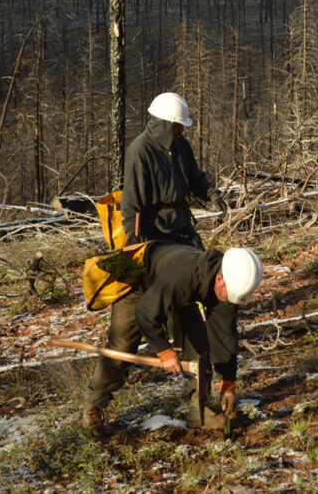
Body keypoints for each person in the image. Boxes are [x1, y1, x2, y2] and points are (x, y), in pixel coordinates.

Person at [82, 246, 263, 430]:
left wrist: (228, 383)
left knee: (198, 346)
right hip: (139, 285)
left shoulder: (229, 287)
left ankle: (198, 411)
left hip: (177, 295)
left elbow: (224, 336)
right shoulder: (184, 275)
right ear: (219, 279)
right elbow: (145, 312)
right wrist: (164, 351)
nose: (229, 300)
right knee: (120, 348)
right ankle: (93, 409)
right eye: (228, 296)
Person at [121, 92, 228, 251]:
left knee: (200, 264)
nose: (183, 129)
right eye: (179, 124)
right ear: (165, 124)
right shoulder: (140, 151)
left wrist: (212, 194)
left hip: (182, 224)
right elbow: (131, 204)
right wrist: (137, 241)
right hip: (155, 231)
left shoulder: (181, 145)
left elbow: (194, 176)